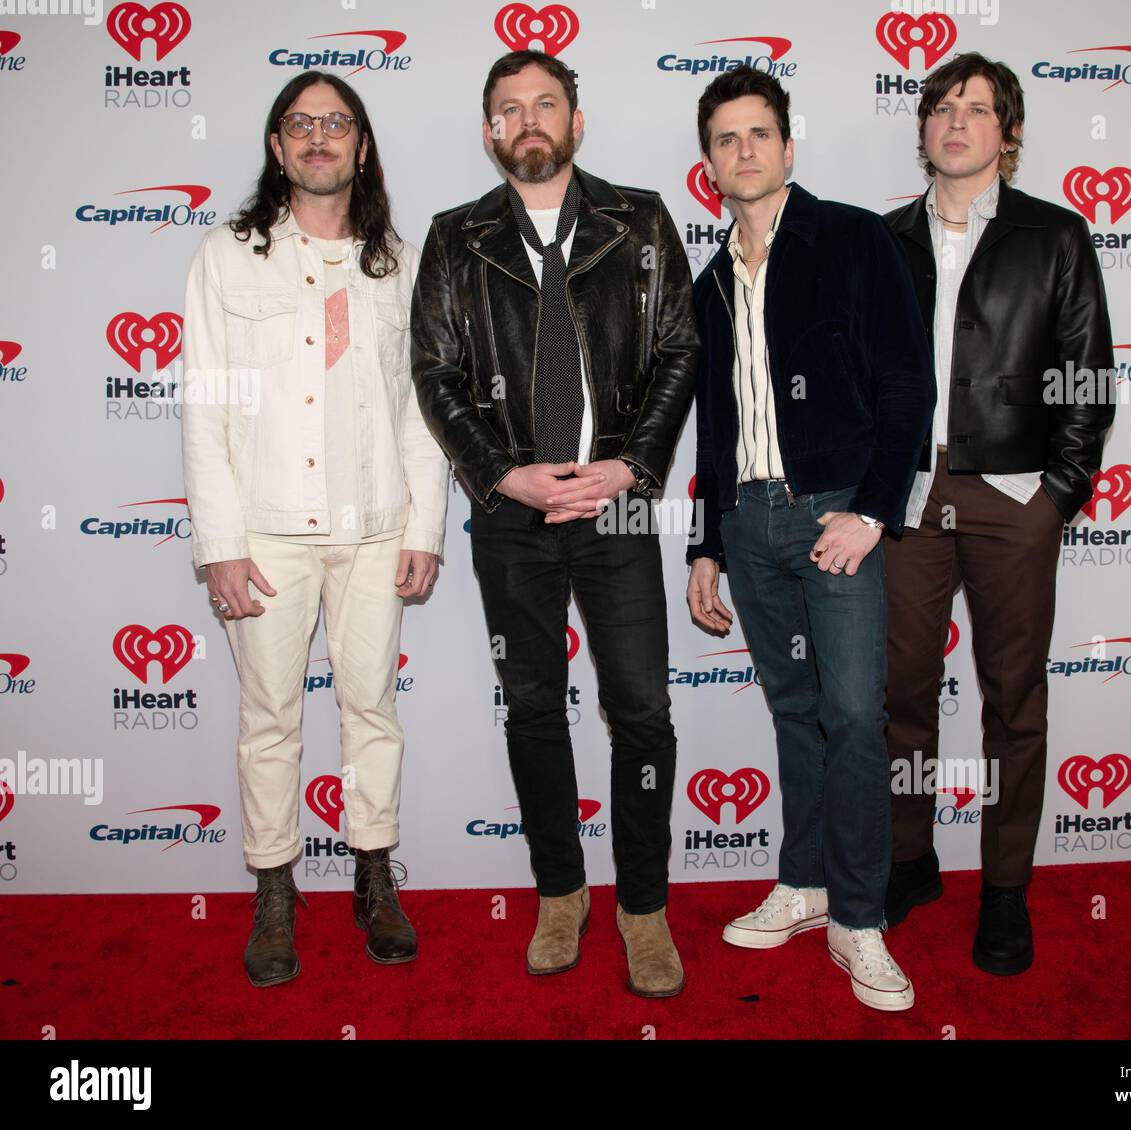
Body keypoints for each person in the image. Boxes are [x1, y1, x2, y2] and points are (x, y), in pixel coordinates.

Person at [410, 51, 698, 997]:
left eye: (545, 105)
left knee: (642, 712)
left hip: (613, 504)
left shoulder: (640, 220)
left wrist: (631, 465)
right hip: (510, 514)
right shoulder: (456, 238)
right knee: (533, 707)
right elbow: (437, 376)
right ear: (490, 132)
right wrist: (502, 476)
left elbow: (678, 351)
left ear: (578, 121)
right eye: (509, 109)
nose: (528, 121)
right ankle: (561, 893)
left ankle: (645, 906)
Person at [182, 71, 449, 987]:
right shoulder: (229, 254)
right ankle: (274, 889)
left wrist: (425, 528)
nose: (320, 138)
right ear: (276, 145)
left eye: (337, 123)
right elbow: (204, 408)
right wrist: (218, 544)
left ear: (362, 146)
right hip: (265, 537)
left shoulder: (401, 262)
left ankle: (374, 876)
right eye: (301, 124)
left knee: (372, 709)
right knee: (270, 720)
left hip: (376, 530)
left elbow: (422, 409)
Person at [685, 67, 935, 1011]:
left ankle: (859, 920)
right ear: (708, 165)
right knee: (794, 712)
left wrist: (871, 512)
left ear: (789, 148)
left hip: (836, 515)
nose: (743, 152)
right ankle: (805, 883)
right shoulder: (711, 280)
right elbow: (712, 425)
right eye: (725, 140)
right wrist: (705, 543)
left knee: (857, 717)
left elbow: (909, 385)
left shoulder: (853, 241)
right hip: (750, 523)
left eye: (759, 135)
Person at [882, 52, 1114, 975]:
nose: (955, 122)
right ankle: (911, 860)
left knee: (1012, 703)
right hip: (905, 497)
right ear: (923, 130)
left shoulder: (1055, 236)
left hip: (1016, 495)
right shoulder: (886, 239)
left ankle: (1008, 889)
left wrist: (1059, 494)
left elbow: (1087, 377)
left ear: (1007, 134)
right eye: (941, 108)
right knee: (900, 698)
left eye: (976, 109)